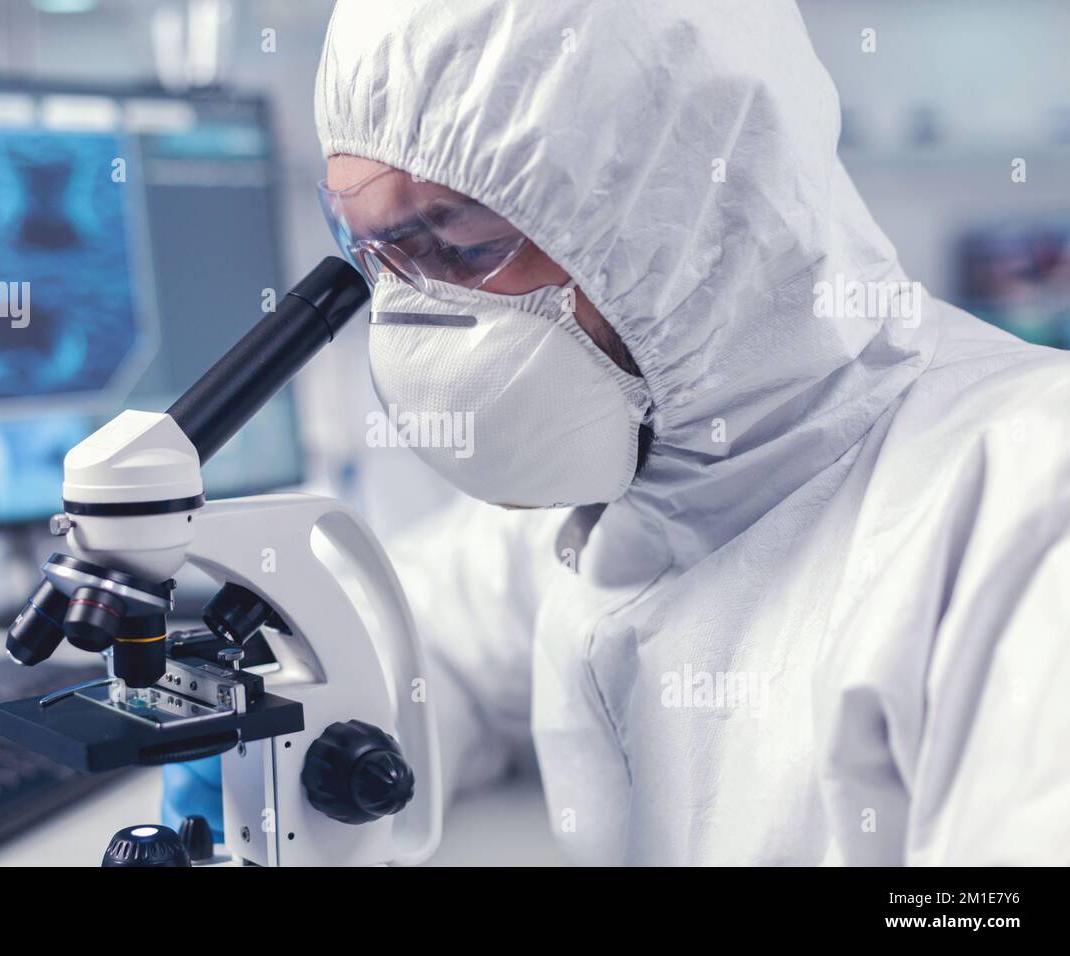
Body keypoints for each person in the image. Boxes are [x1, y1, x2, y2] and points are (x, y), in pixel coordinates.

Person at [167, 0, 1070, 865]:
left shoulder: (1024, 506)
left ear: (680, 213)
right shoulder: (642, 482)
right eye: (379, 257)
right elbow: (432, 632)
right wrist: (287, 720)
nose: (413, 323)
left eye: (463, 244)